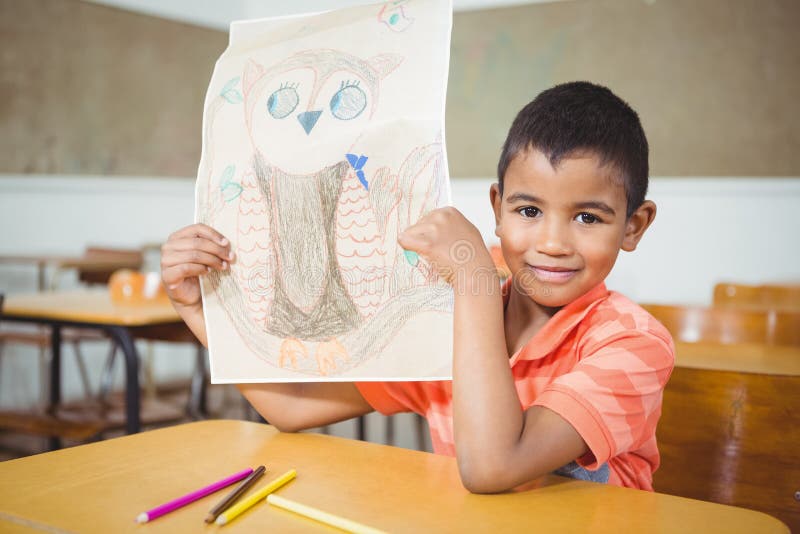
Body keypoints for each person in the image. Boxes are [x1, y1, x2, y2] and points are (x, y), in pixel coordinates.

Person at [161, 81, 674, 494]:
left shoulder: (633, 345)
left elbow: (493, 467)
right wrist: (199, 309)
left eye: (588, 216)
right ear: (496, 208)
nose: (554, 242)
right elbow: (292, 406)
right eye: (529, 211)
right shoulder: (445, 326)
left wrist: (472, 281)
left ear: (633, 226)